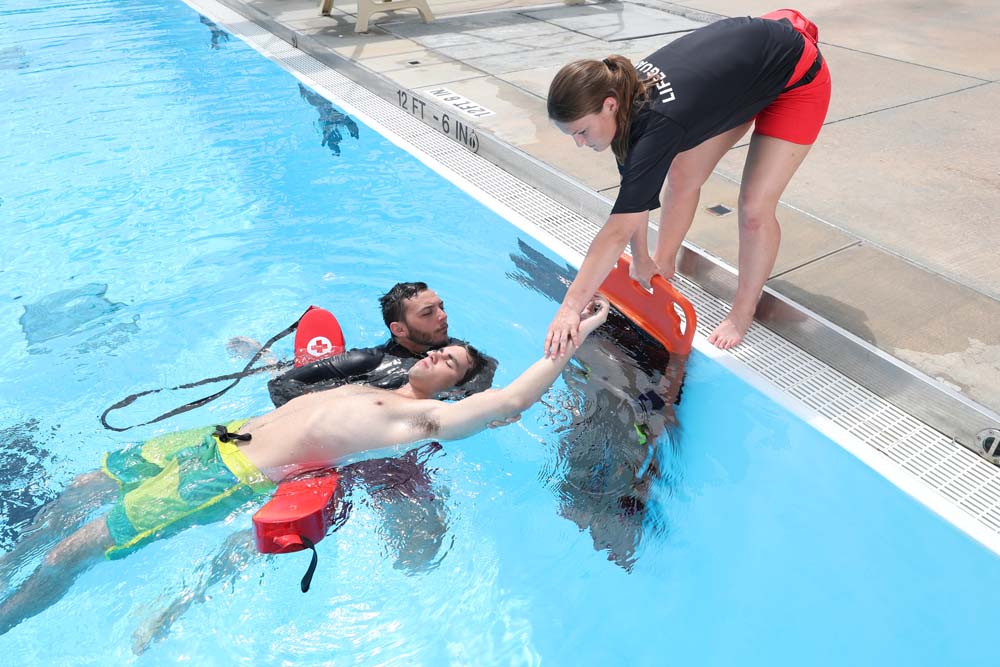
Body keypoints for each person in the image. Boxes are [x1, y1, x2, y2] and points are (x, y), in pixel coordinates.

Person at [0, 297, 609, 637]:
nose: (439, 354)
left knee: (73, 550)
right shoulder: (383, 385)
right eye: (443, 349)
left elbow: (509, 401)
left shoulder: (417, 422)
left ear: (454, 392)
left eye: (450, 363)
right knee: (77, 494)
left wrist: (572, 337)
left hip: (227, 475)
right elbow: (293, 383)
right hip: (212, 439)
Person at [545, 9, 831, 351]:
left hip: (796, 75)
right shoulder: (619, 102)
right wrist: (641, 259)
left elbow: (617, 229)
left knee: (754, 207)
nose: (579, 143)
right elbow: (632, 202)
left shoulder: (656, 123)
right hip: (744, 71)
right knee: (683, 174)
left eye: (581, 131)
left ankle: (742, 311)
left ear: (608, 105)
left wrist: (569, 308)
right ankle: (664, 264)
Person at [266, 281, 495, 406]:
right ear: (399, 329)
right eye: (428, 313)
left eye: (441, 307)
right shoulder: (368, 361)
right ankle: (272, 361)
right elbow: (280, 386)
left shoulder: (455, 350)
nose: (443, 316)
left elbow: (486, 371)